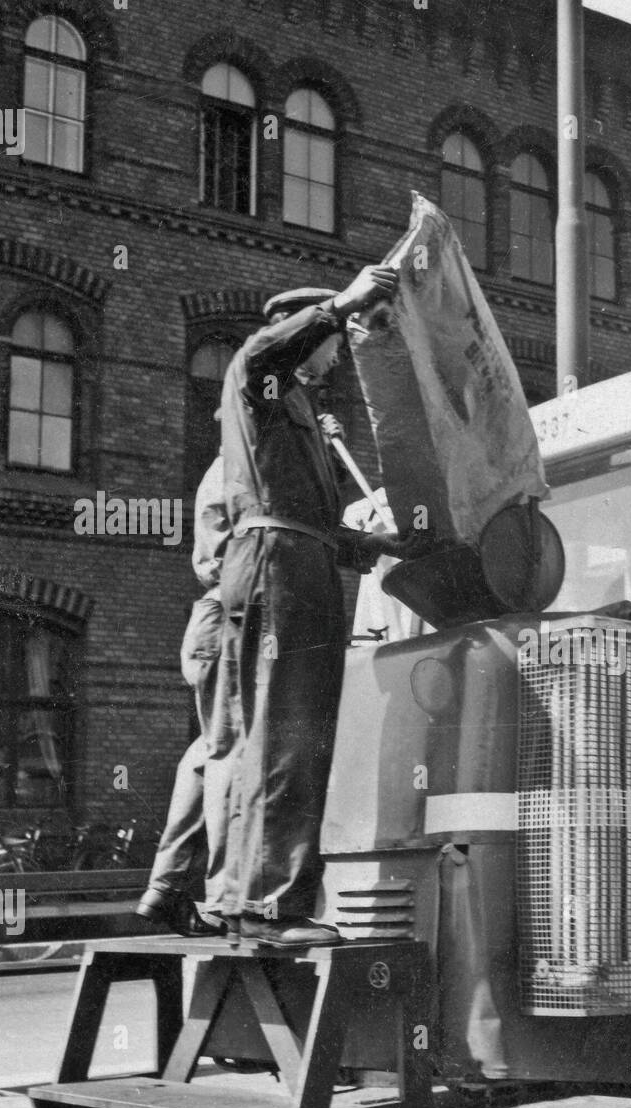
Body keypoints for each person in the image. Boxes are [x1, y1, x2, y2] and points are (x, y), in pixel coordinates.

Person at [217, 269, 406, 947]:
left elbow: (317, 520)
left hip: (302, 568)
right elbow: (265, 352)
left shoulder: (293, 407)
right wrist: (341, 304)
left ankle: (253, 898)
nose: (339, 356)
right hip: (282, 570)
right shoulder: (262, 379)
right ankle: (268, 906)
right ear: (307, 332)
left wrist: (379, 545)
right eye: (333, 341)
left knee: (287, 735)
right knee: (285, 737)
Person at [135, 454, 232, 931]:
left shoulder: (223, 463)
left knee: (207, 752)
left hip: (213, 621)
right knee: (230, 755)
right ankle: (224, 900)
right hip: (233, 617)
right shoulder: (252, 458)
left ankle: (165, 888)